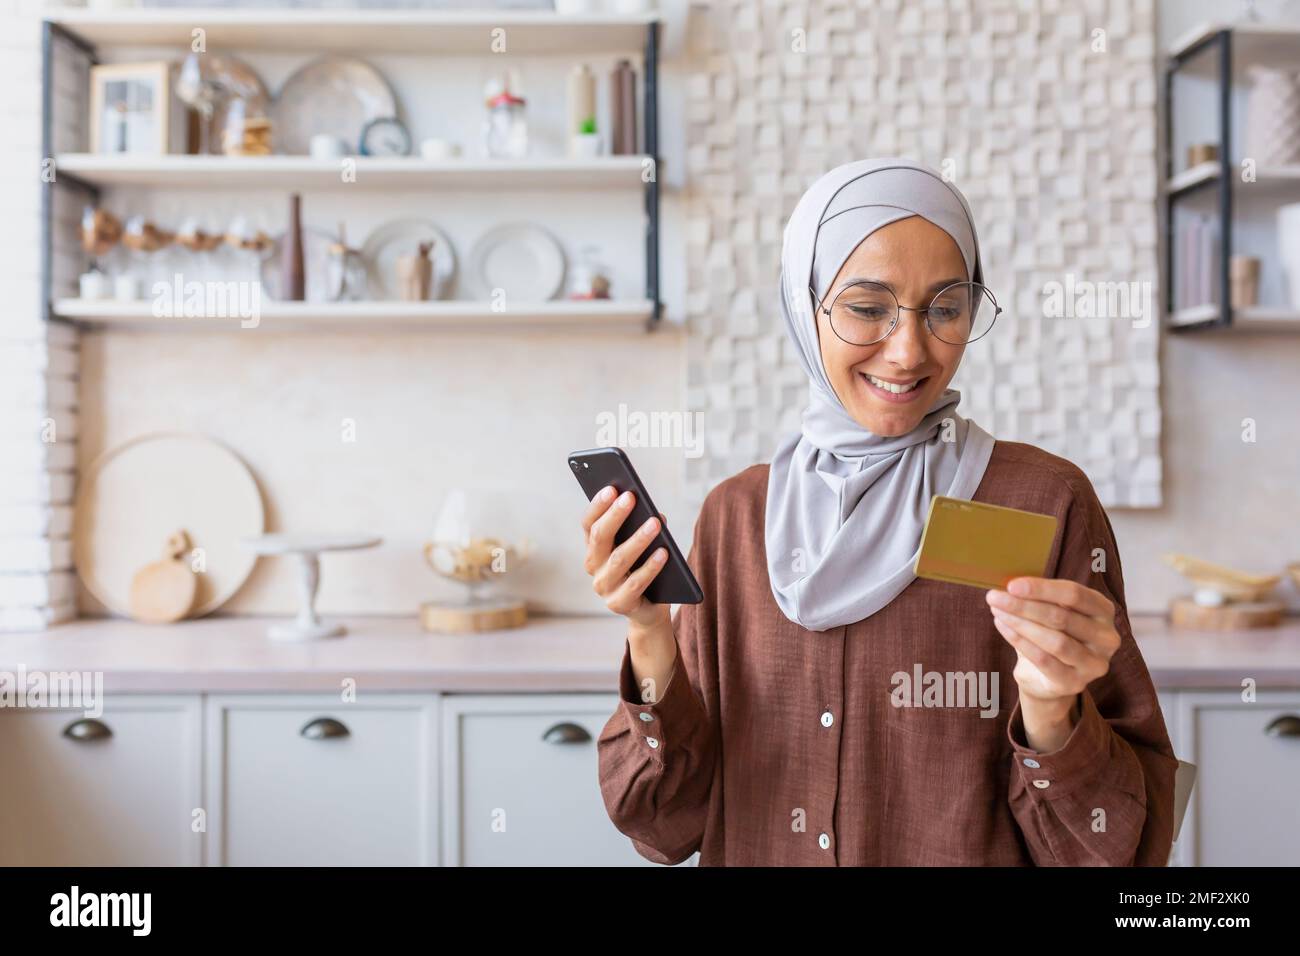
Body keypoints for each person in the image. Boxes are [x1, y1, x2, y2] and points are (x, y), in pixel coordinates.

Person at [580, 158, 1177, 866]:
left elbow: (1120, 852)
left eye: (947, 308)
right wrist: (650, 635)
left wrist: (1052, 712)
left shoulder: (1045, 502)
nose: (909, 350)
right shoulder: (737, 518)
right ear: (805, 308)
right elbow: (664, 827)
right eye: (868, 308)